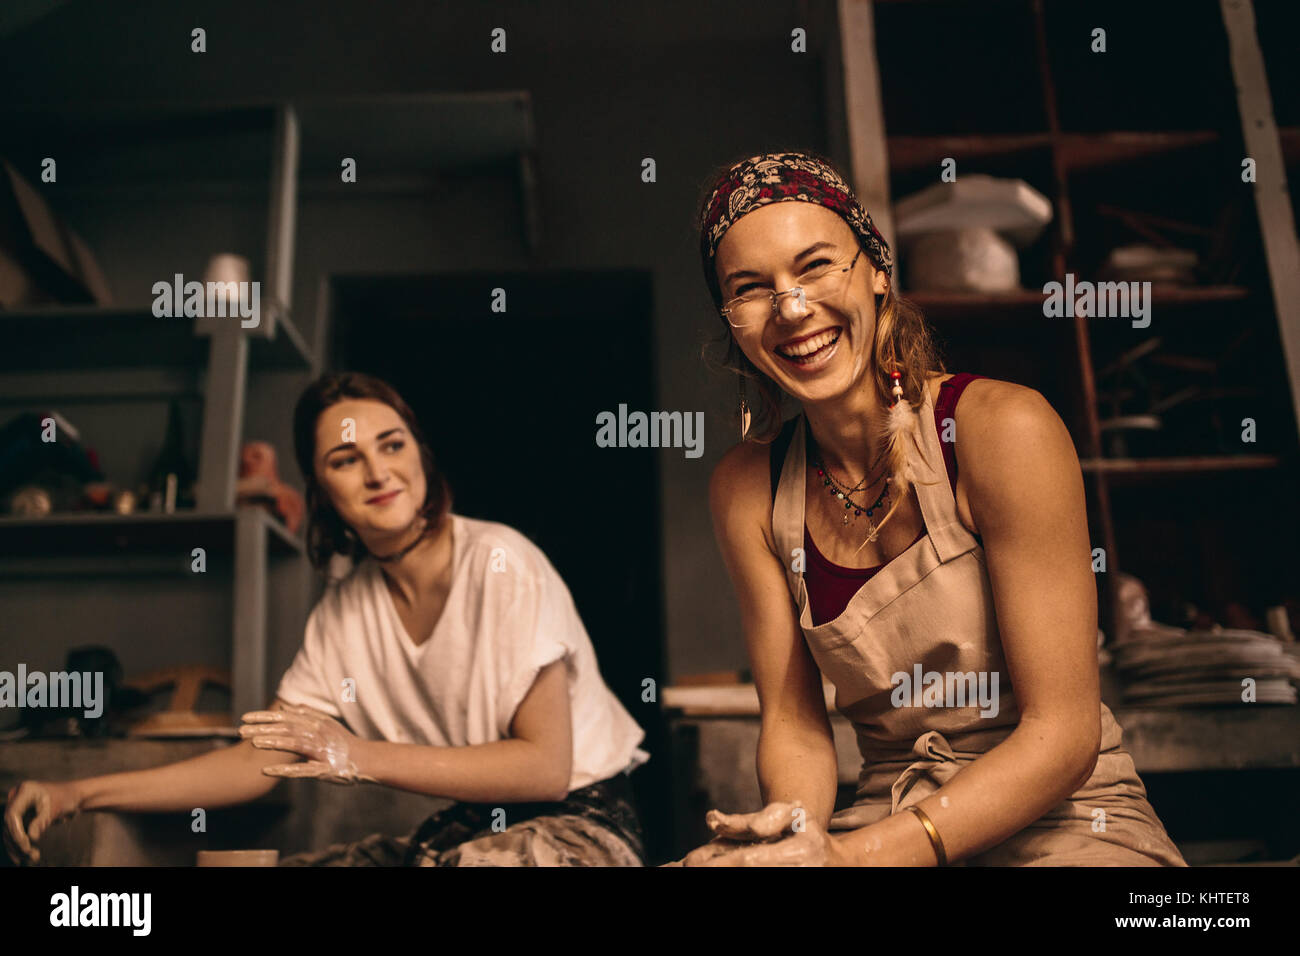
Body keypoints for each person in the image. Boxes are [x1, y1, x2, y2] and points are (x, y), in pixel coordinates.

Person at [681, 150, 1185, 866]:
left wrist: (857, 858)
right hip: (884, 812)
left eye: (817, 265)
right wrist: (790, 838)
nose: (791, 308)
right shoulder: (747, 488)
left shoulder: (1002, 429)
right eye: (751, 288)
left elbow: (1063, 735)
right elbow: (794, 723)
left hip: (1068, 822)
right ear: (731, 320)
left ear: (877, 269)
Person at [4, 372, 649, 867]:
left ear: (421, 456)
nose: (377, 472)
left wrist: (355, 752)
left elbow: (542, 768)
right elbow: (257, 759)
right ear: (322, 494)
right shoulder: (346, 609)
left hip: (582, 826)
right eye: (345, 460)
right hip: (473, 829)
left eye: (391, 445)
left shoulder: (501, 561)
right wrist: (79, 793)